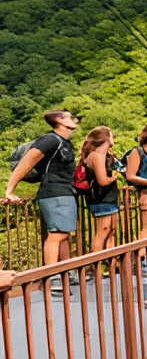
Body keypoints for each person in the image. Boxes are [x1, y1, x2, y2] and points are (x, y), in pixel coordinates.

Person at [2, 110, 79, 267]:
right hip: (54, 194)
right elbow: (26, 162)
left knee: (63, 234)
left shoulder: (64, 142)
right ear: (60, 121)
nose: (74, 120)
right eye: (70, 117)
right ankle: (51, 275)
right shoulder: (50, 140)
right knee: (57, 234)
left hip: (63, 192)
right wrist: (10, 190)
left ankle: (67, 271)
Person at [80, 125, 122, 253]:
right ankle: (96, 266)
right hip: (101, 199)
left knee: (111, 231)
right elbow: (102, 181)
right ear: (105, 138)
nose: (113, 137)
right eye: (111, 135)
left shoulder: (104, 155)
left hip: (108, 198)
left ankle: (111, 263)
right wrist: (114, 178)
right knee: (102, 233)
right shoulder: (97, 155)